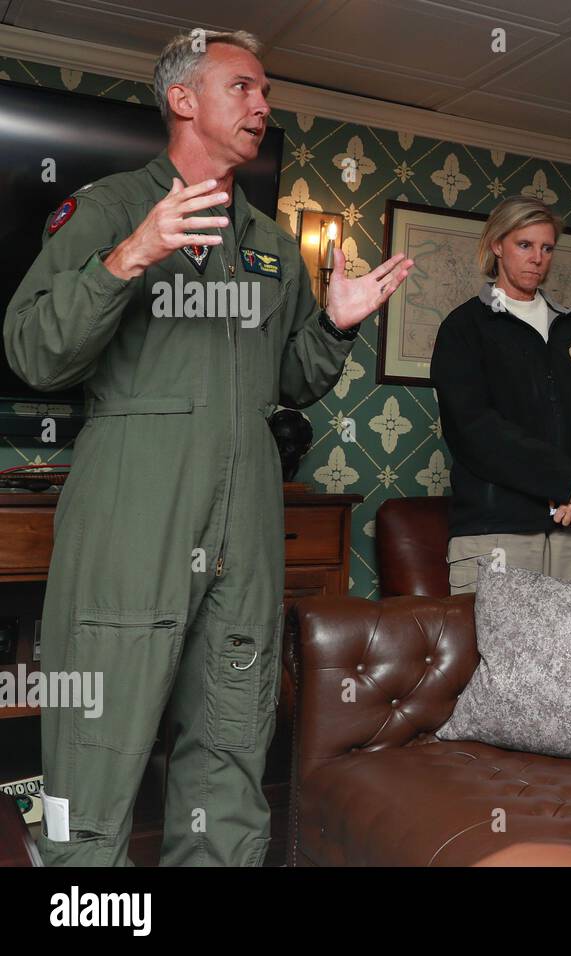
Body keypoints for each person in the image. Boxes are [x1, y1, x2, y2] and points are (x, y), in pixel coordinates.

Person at [2, 30, 412, 866]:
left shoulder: (268, 242)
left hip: (247, 521)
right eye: (244, 88)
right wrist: (131, 257)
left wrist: (334, 323)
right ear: (183, 99)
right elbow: (36, 351)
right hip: (136, 508)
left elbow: (291, 380)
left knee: (232, 739)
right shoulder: (112, 208)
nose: (264, 106)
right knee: (98, 744)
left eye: (266, 94)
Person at [430, 196, 571, 593]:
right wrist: (566, 480)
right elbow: (474, 428)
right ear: (497, 245)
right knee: (500, 655)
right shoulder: (465, 328)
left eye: (547, 248)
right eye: (524, 245)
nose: (537, 258)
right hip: (498, 530)